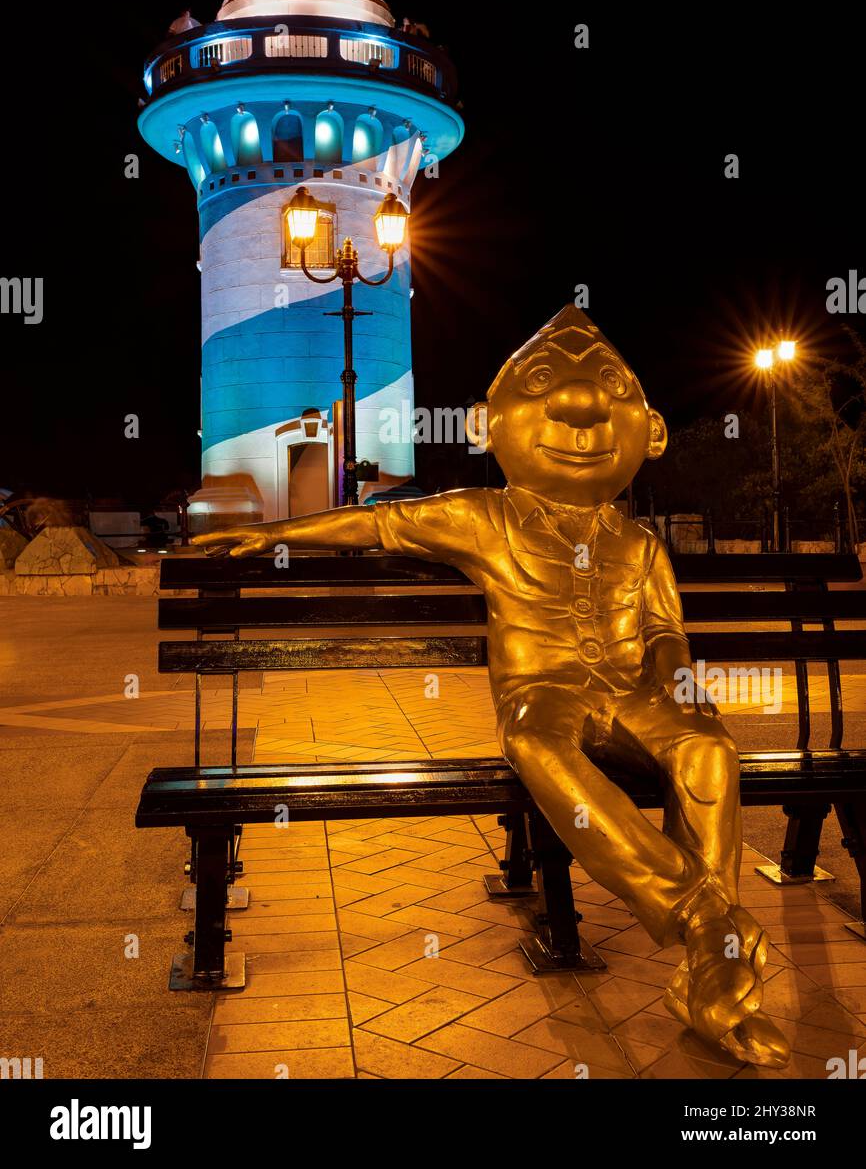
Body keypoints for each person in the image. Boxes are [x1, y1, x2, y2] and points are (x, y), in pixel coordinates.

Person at [195, 305, 790, 1067]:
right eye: (548, 385)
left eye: (608, 389)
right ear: (485, 427)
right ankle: (707, 921)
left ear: (653, 431)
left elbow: (665, 629)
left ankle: (710, 953)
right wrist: (278, 535)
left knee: (709, 748)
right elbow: (380, 525)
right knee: (540, 744)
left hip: (630, 691)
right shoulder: (488, 519)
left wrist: (678, 679)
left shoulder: (639, 543)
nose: (582, 408)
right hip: (544, 692)